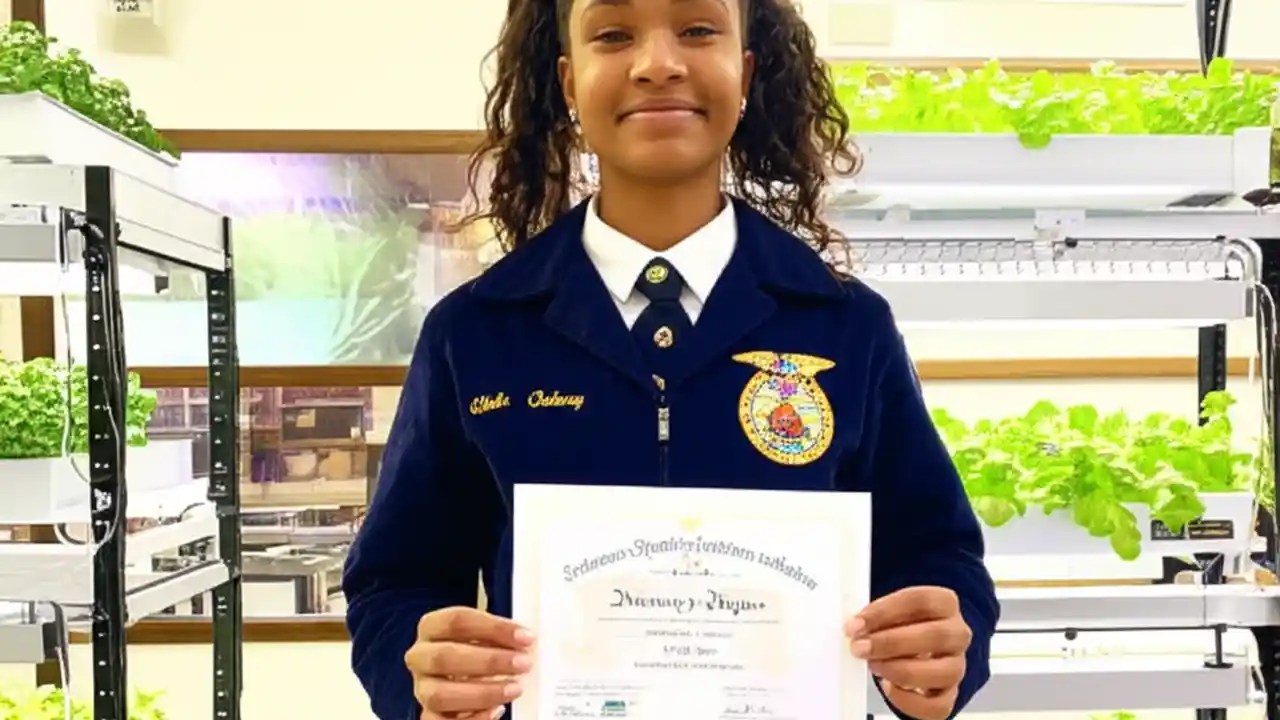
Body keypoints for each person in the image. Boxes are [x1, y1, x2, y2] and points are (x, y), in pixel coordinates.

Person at [342, 0, 1000, 718]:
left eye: (698, 29)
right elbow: (394, 580)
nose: (658, 63)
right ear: (568, 82)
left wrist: (939, 657)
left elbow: (939, 556)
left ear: (744, 72)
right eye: (614, 34)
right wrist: (419, 672)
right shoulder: (474, 332)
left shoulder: (846, 326)